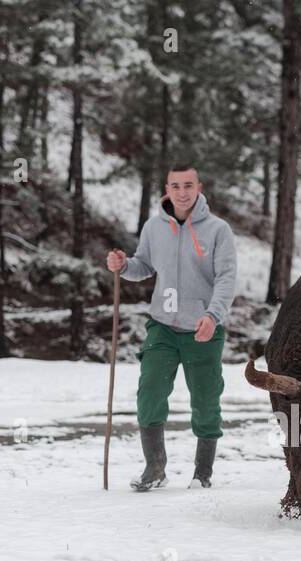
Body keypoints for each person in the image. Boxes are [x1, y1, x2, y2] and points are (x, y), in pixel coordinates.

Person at [107, 163, 238, 491]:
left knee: (206, 400)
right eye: (175, 186)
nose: (182, 192)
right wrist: (124, 267)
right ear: (167, 188)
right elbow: (144, 266)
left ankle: (202, 473)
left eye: (188, 185)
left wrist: (213, 315)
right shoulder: (154, 226)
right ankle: (155, 467)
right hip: (162, 326)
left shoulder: (218, 230)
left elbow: (226, 278)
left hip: (203, 327)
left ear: (199, 187)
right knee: (150, 391)